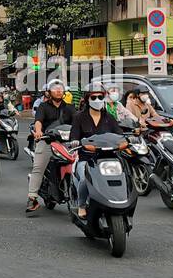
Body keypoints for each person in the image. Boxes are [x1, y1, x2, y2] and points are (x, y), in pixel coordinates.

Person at [68, 81, 123, 217]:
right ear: (87, 100)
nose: (97, 100)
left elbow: (119, 135)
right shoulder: (79, 118)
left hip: (108, 158)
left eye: (100, 97)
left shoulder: (109, 118)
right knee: (84, 179)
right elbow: (73, 136)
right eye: (93, 97)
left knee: (123, 175)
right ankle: (81, 206)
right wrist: (75, 141)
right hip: (87, 159)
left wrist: (128, 140)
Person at [27, 78, 75, 213]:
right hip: (47, 141)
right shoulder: (43, 106)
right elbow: (38, 121)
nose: (58, 91)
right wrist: (38, 132)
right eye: (55, 89)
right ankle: (32, 197)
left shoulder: (70, 108)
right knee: (38, 167)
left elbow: (77, 123)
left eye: (60, 89)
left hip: (66, 143)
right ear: (49, 92)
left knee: (82, 164)